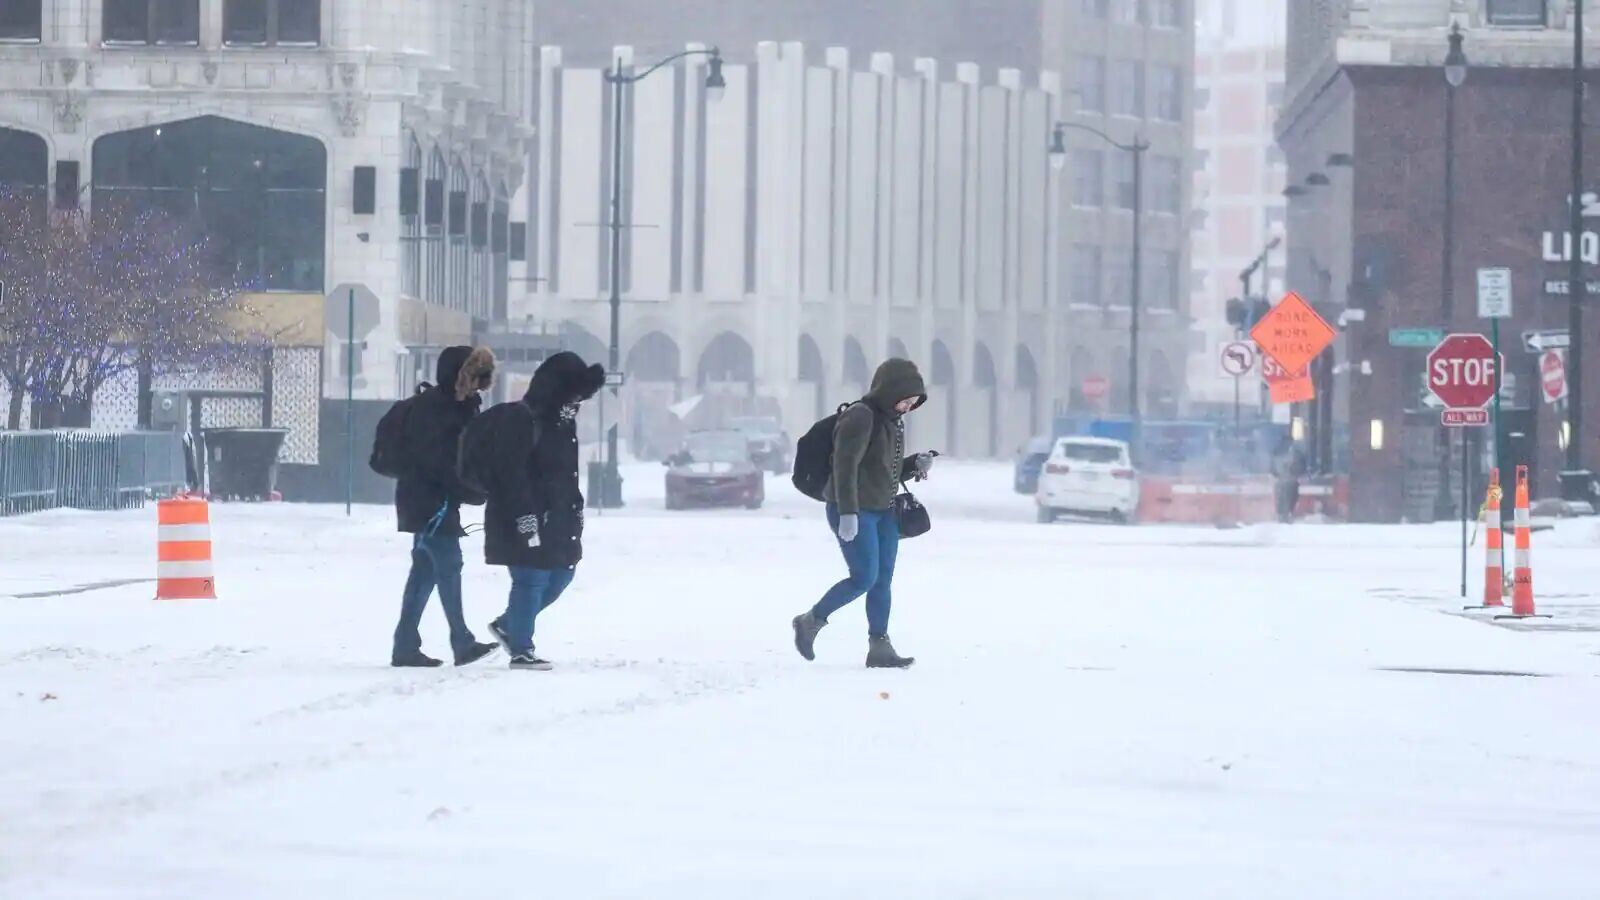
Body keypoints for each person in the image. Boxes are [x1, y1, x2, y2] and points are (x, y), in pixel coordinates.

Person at [792, 358, 936, 669]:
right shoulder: (860, 416)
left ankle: (880, 646)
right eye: (906, 399)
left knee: (883, 580)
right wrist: (847, 512)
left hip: (883, 511)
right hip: (853, 510)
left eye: (914, 403)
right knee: (864, 578)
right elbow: (844, 467)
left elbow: (886, 471)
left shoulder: (891, 420)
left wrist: (915, 464)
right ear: (890, 391)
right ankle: (810, 620)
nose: (909, 407)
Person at [482, 351, 606, 670]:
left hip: (558, 514)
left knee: (562, 575)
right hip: (523, 513)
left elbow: (566, 471)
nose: (577, 402)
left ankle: (511, 624)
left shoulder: (564, 424)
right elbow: (512, 472)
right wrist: (524, 516)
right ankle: (522, 649)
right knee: (531, 579)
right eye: (573, 394)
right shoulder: (525, 420)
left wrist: (575, 506)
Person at [392, 345, 500, 668]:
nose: (479, 388)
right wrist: (471, 489)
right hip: (431, 501)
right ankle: (462, 641)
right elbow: (440, 462)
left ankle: (405, 645)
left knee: (424, 571)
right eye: (475, 379)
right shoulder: (439, 410)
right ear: (462, 376)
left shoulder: (448, 405)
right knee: (449, 566)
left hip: (423, 499)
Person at [1272, 436, 1305, 524]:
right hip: (1287, 481)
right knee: (1287, 496)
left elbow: (1273, 469)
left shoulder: (1277, 452)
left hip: (1285, 481)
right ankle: (1285, 514)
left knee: (1285, 496)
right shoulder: (1279, 453)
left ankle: (1284, 514)